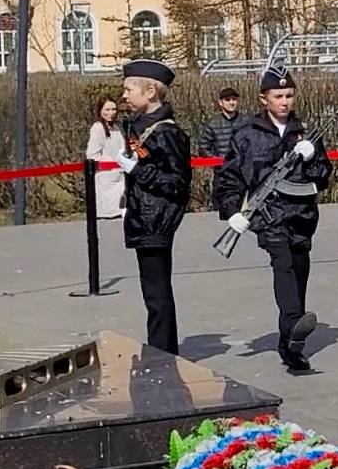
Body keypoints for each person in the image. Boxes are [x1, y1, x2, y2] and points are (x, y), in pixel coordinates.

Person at [214, 66, 332, 372]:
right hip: (269, 216)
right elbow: (230, 176)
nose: (285, 101)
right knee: (283, 266)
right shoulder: (247, 134)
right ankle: (294, 323)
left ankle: (291, 344)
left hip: (303, 216)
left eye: (289, 95)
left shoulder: (304, 133)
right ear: (264, 99)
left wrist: (311, 158)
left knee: (300, 272)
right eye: (278, 95)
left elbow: (323, 177)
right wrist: (231, 212)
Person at [115, 60, 191, 355]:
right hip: (142, 215)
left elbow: (176, 182)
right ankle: (160, 347)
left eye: (128, 89)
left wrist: (136, 170)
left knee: (157, 293)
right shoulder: (137, 125)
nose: (124, 95)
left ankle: (164, 352)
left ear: (149, 92)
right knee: (151, 292)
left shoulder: (167, 133)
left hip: (157, 218)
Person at [86, 97, 125, 219]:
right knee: (108, 216)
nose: (111, 113)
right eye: (107, 109)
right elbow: (92, 155)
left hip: (120, 177)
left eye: (114, 109)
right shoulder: (97, 128)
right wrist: (110, 163)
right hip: (106, 179)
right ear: (100, 110)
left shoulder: (117, 128)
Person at [196, 87, 245, 161]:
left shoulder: (246, 122)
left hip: (243, 169)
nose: (231, 103)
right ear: (220, 102)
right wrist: (218, 161)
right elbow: (203, 149)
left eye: (234, 99)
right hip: (223, 170)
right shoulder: (213, 124)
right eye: (227, 100)